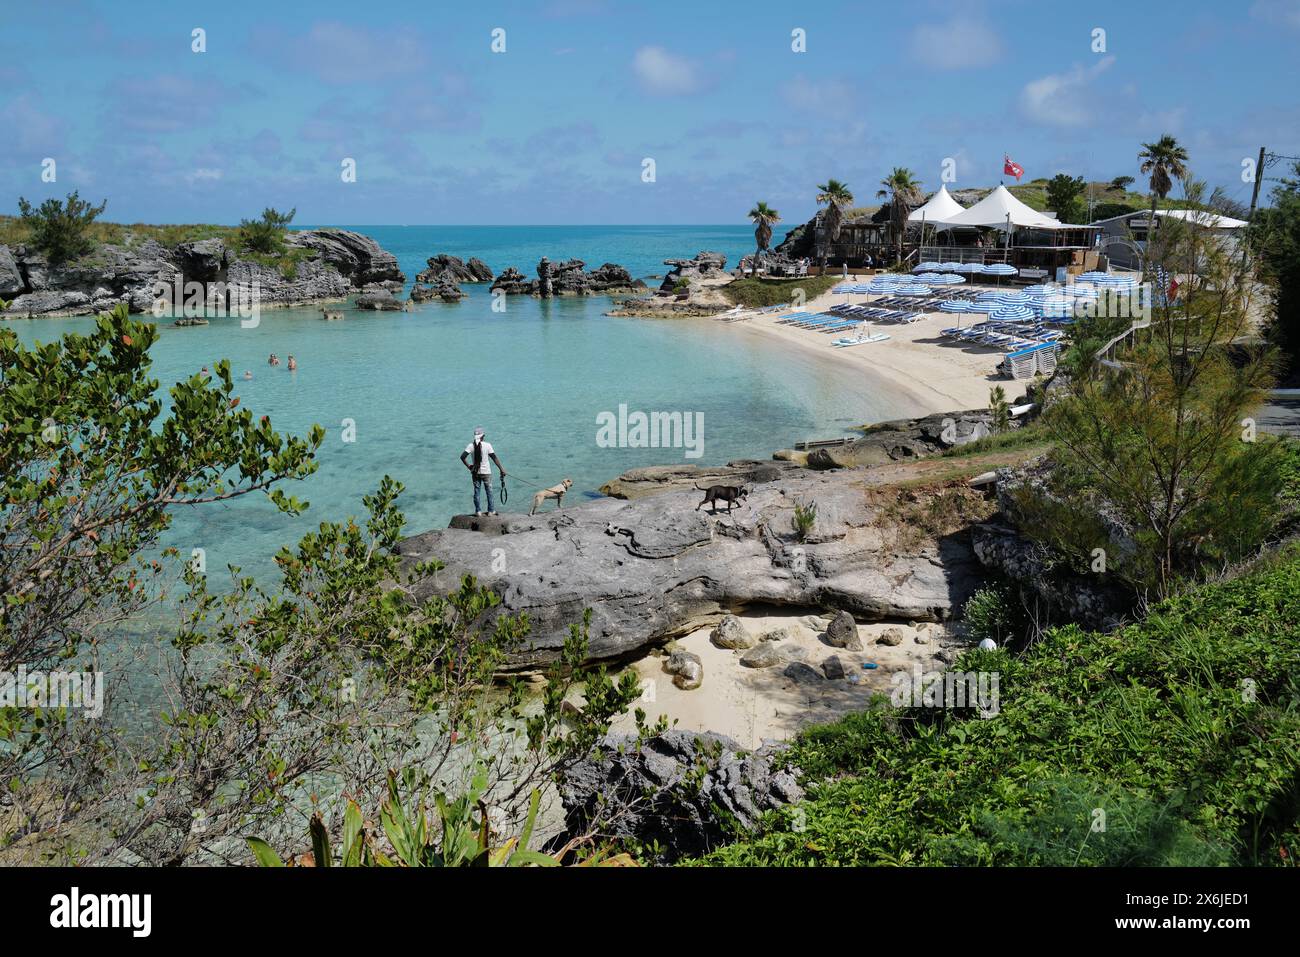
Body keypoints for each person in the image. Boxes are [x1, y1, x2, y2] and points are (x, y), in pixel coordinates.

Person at [460, 427, 506, 516]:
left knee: (477, 491)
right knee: (489, 491)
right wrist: (501, 469)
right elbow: (494, 458)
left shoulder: (470, 446)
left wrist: (469, 466)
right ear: (483, 436)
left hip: (475, 472)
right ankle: (490, 511)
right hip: (486, 473)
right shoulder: (487, 445)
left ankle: (478, 511)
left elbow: (462, 457)